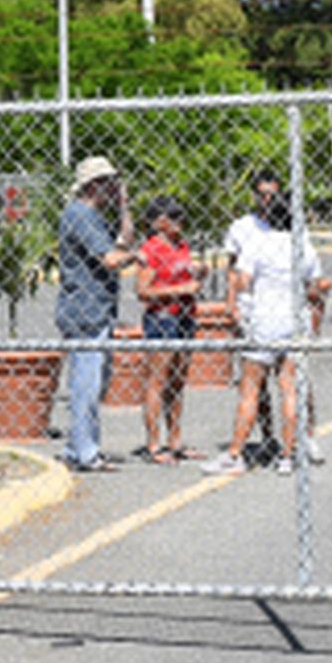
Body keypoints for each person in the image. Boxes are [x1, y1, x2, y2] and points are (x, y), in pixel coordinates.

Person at [206, 172, 329, 476]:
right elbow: (316, 286)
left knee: (250, 388)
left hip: (264, 320)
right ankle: (287, 455)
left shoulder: (259, 244)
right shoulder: (304, 246)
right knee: (289, 388)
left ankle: (235, 454)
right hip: (293, 320)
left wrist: (249, 292)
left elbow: (243, 280)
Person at [57, 155, 136, 472]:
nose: (114, 188)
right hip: (84, 312)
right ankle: (85, 452)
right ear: (93, 186)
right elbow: (111, 259)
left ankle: (78, 447)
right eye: (109, 183)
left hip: (98, 310)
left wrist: (124, 207)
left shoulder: (95, 217)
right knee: (86, 386)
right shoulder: (80, 215)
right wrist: (139, 258)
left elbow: (122, 241)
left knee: (93, 383)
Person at [133, 197, 200, 465]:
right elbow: (143, 292)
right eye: (174, 217)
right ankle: (154, 443)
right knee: (157, 380)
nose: (180, 222)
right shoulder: (151, 250)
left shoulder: (181, 245)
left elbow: (184, 274)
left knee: (178, 380)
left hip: (185, 316)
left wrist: (197, 275)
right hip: (163, 318)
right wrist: (179, 290)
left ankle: (175, 440)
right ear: (159, 222)